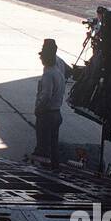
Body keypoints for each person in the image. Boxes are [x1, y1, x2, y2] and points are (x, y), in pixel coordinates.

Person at [32, 38, 68, 171]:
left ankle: (42, 175)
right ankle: (54, 171)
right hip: (57, 113)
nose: (40, 60)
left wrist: (38, 108)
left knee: (43, 149)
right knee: (53, 149)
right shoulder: (58, 71)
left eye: (41, 57)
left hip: (47, 114)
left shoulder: (48, 73)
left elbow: (46, 94)